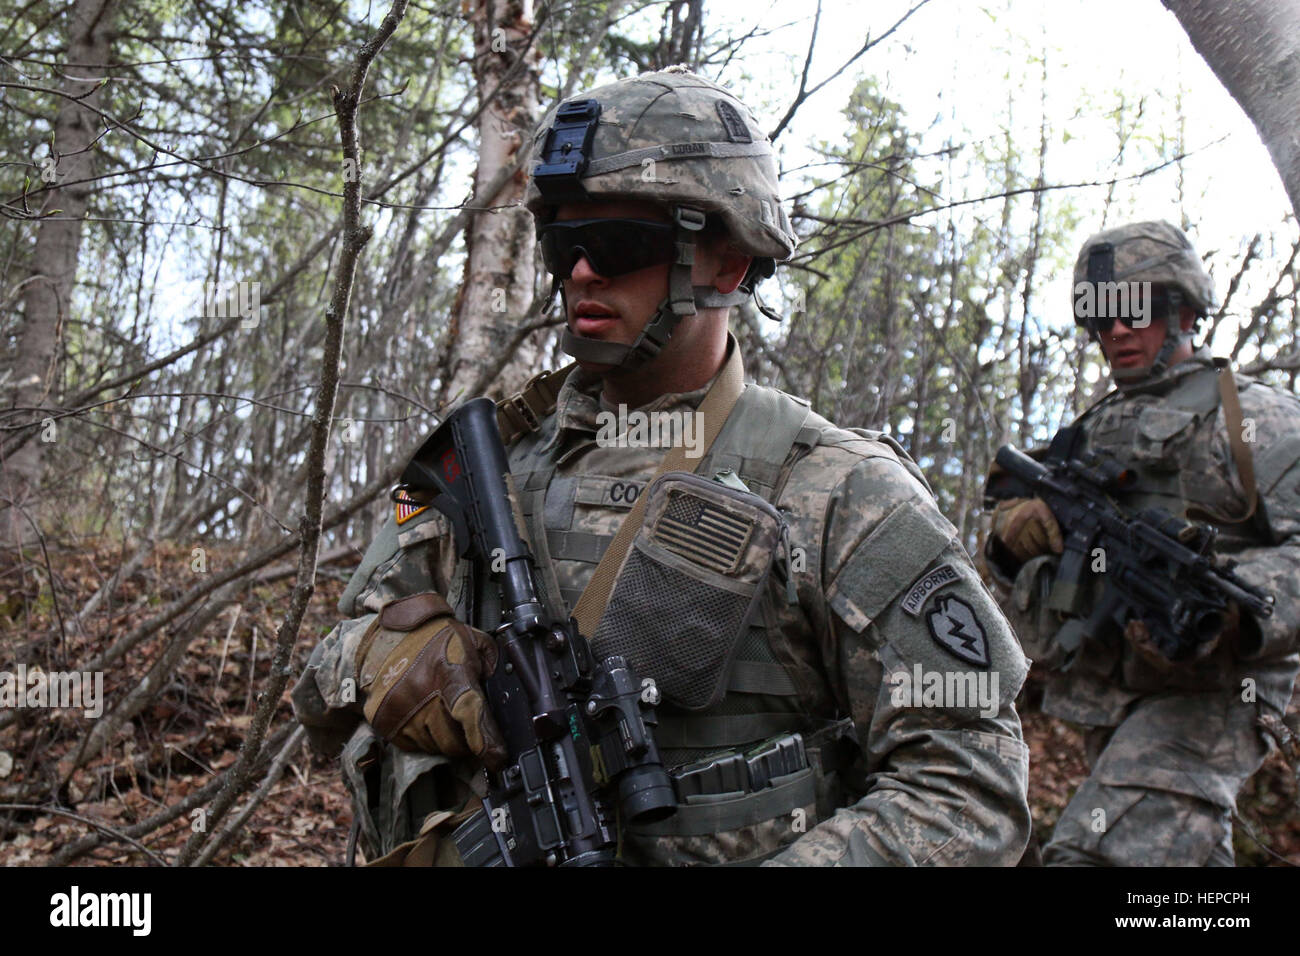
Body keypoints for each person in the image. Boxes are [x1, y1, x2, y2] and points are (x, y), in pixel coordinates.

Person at [293, 68, 1031, 866]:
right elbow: (333, 662)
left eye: (615, 243)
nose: (581, 273)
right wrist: (393, 657)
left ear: (727, 262)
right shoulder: (482, 474)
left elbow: (968, 784)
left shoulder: (836, 490)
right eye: (563, 245)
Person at [982, 220, 1300, 866]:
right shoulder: (1093, 427)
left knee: (1092, 854)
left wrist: (1237, 614)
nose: (1117, 332)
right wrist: (1013, 539)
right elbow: (1007, 538)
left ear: (1182, 309)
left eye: (1135, 311)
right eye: (1101, 319)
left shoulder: (1253, 419)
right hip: (1118, 696)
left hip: (1217, 696)